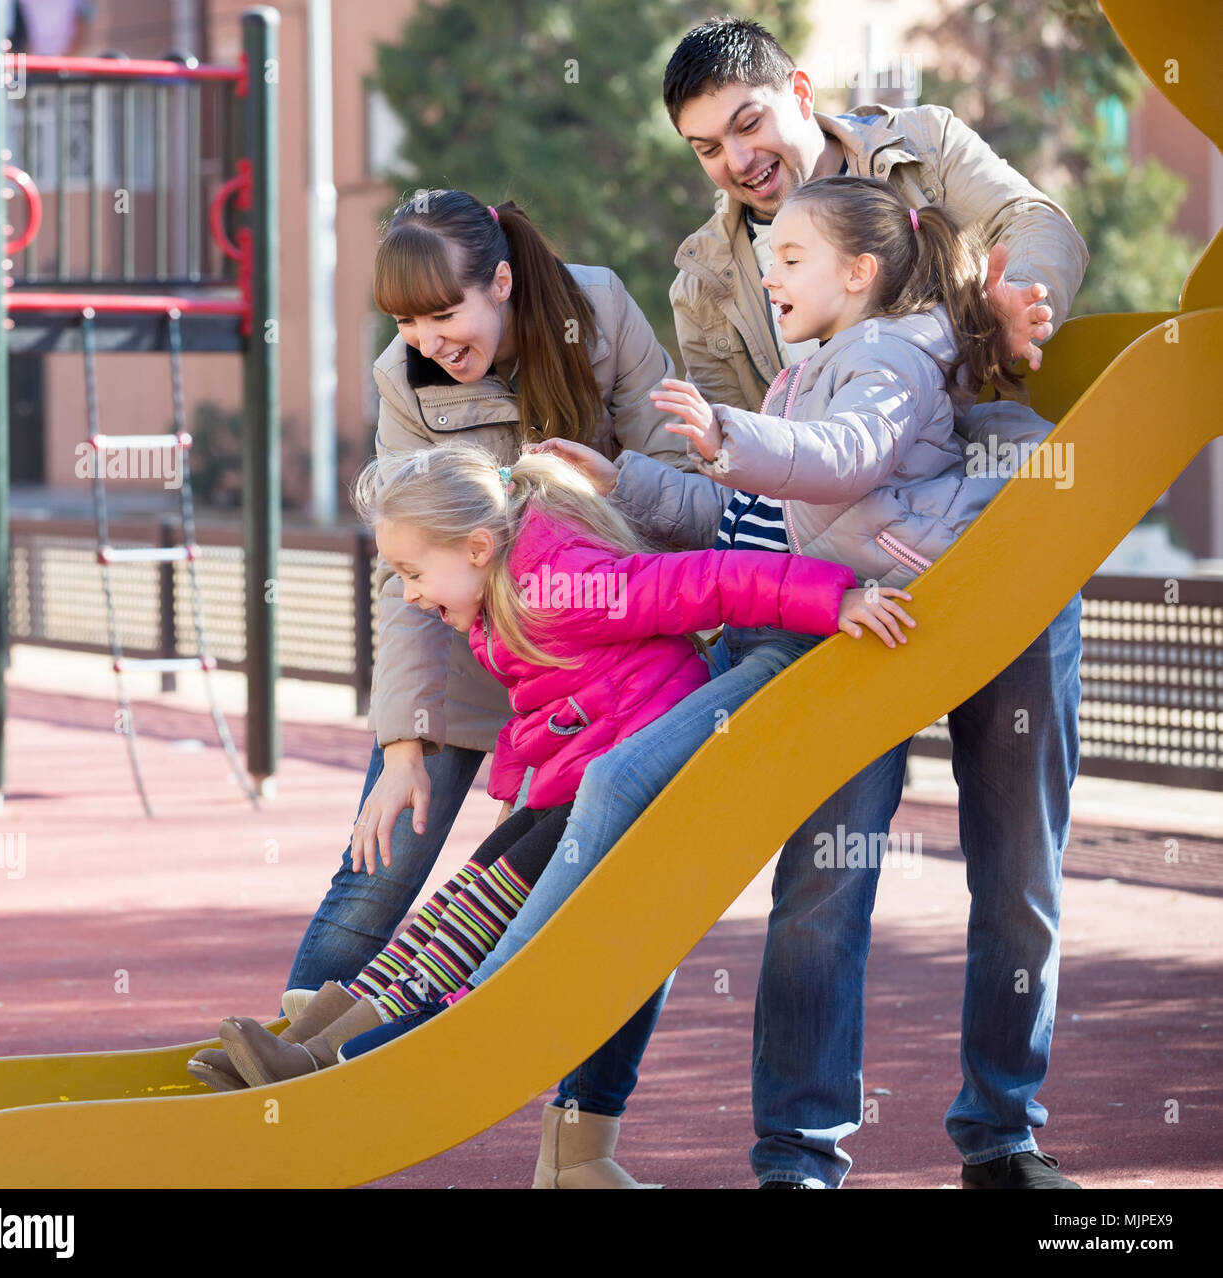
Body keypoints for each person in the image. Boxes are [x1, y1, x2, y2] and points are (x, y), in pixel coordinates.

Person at [466, 18, 1088, 1190]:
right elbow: (761, 480)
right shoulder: (713, 275)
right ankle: (799, 1155)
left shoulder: (920, 151)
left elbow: (1035, 232)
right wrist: (646, 481)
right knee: (824, 871)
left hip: (988, 547)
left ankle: (1004, 1136)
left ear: (796, 92)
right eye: (706, 149)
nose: (737, 160)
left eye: (747, 124)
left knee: (1017, 862)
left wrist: (1022, 305)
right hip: (838, 587)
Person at [191, 443, 909, 1153]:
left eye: (413, 573)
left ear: (475, 548)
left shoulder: (558, 582)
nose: (409, 592)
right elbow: (545, 713)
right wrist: (515, 797)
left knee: (494, 914)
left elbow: (704, 581)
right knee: (465, 897)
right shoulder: (499, 596)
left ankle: (386, 1042)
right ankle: (327, 1040)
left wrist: (833, 598)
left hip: (632, 781)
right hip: (576, 780)